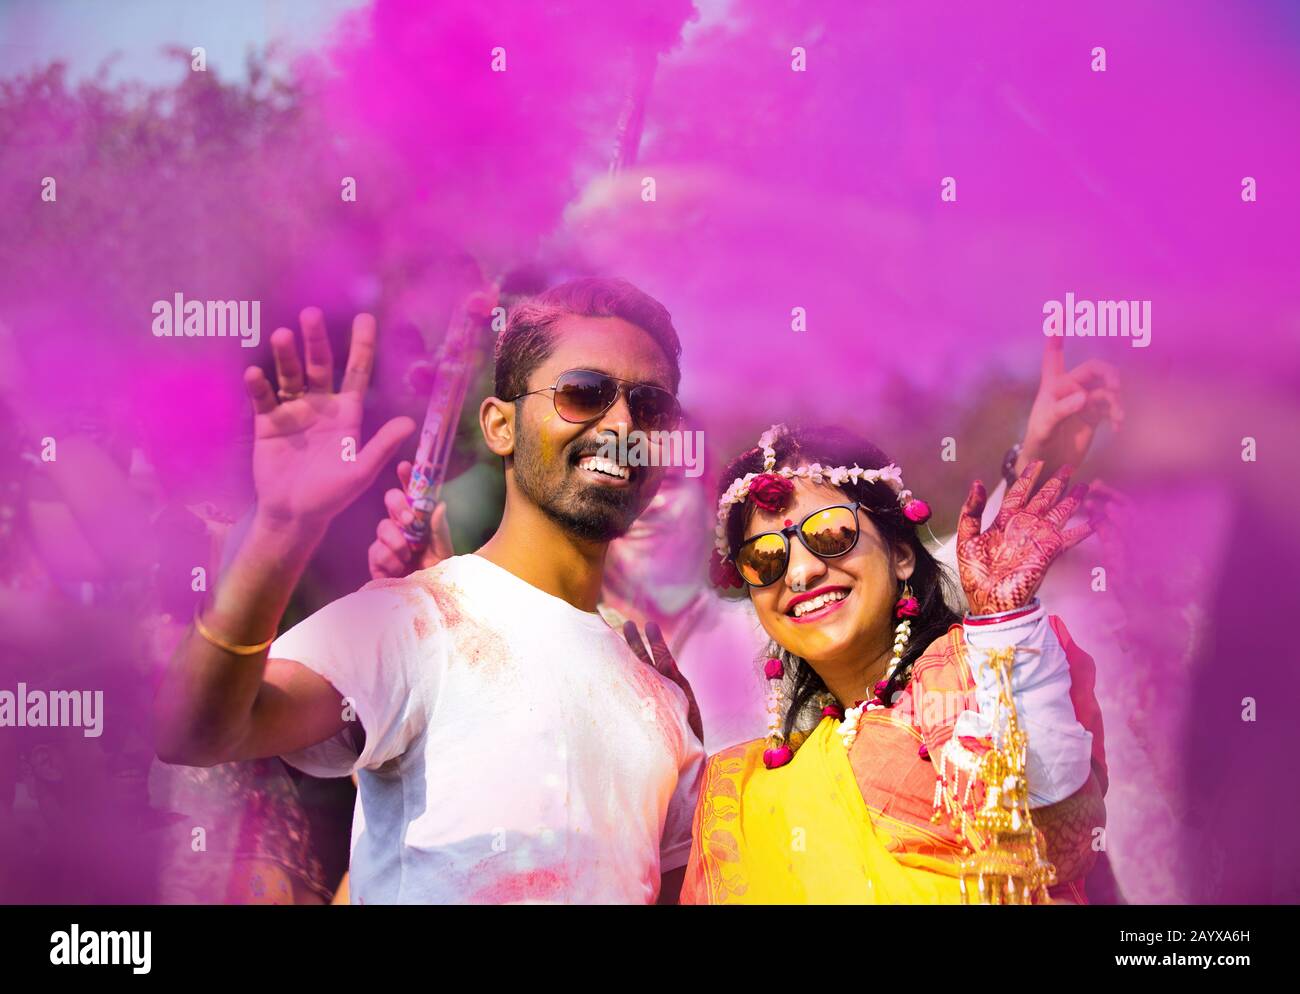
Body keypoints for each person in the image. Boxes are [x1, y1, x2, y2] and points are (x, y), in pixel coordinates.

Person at [154, 278, 705, 904]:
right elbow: (198, 734)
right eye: (584, 393)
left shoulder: (661, 696)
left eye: (651, 408)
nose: (623, 425)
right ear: (500, 425)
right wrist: (281, 530)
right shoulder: (415, 619)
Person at [681, 423, 1109, 903]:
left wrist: (1006, 625)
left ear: (902, 553)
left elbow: (1058, 845)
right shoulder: (749, 790)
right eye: (764, 559)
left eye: (830, 533)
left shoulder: (973, 674)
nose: (800, 572)